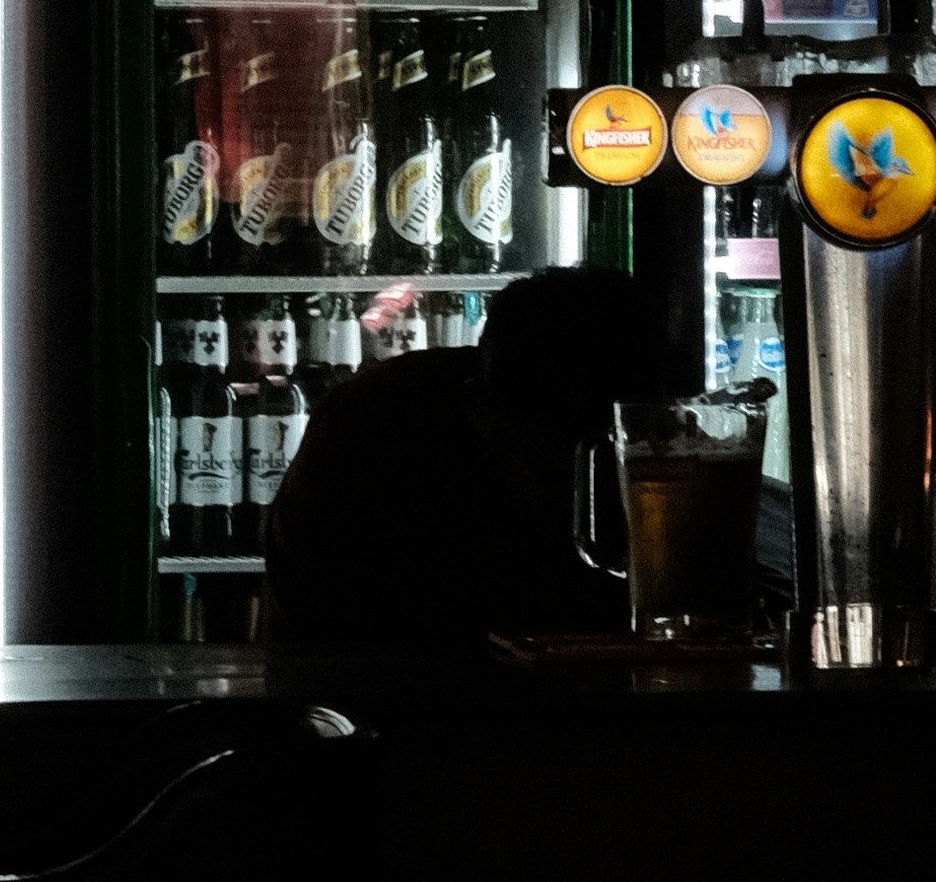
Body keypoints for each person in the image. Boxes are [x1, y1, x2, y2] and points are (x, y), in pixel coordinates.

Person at [258, 266, 645, 649]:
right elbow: (315, 651)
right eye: (556, 476)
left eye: (611, 477)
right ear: (481, 413)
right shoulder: (370, 435)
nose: (583, 510)